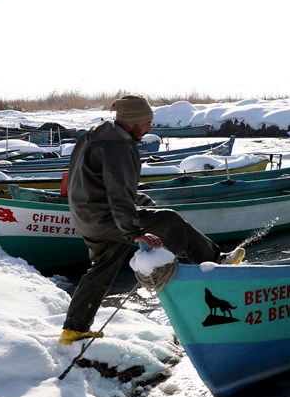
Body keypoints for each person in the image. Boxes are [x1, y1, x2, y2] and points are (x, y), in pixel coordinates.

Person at [59, 95, 244, 345]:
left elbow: (96, 179)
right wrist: (134, 232)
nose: (149, 127)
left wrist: (136, 197)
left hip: (85, 217)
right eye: (146, 122)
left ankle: (73, 329)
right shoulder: (118, 147)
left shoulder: (95, 135)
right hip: (108, 216)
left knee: (100, 271)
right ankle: (216, 260)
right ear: (132, 122)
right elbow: (118, 194)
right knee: (168, 220)